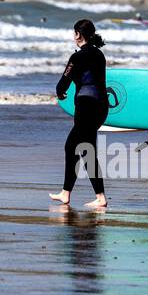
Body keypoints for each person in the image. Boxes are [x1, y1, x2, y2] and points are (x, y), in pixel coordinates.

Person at [50, 19, 108, 209]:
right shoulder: (100, 55)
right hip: (101, 108)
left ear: (77, 34)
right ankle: (66, 193)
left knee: (83, 149)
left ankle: (100, 197)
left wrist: (60, 92)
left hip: (86, 106)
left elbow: (62, 83)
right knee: (76, 147)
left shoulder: (77, 57)